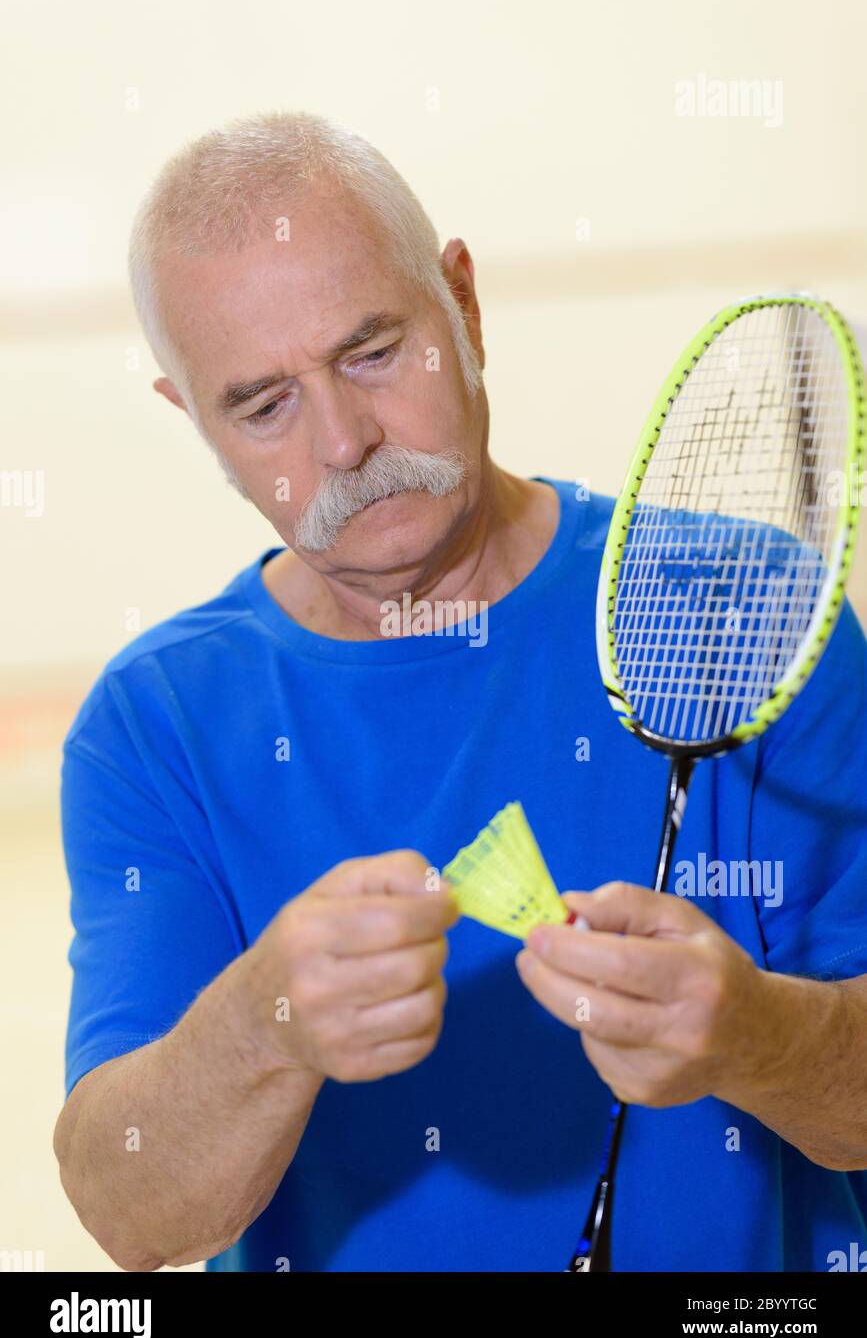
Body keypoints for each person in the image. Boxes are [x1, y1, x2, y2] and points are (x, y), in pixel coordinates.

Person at [54, 111, 867, 1273]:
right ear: (195, 422)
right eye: (262, 404)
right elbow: (130, 1216)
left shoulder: (754, 613)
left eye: (373, 350)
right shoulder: (155, 727)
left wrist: (758, 1035)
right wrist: (263, 1024)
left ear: (464, 305)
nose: (344, 443)